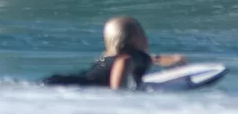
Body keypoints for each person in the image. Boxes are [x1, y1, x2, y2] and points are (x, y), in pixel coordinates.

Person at [43, 16, 187, 90]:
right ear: (135, 39)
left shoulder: (115, 56)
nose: (146, 37)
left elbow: (151, 59)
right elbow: (123, 62)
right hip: (78, 84)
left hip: (68, 80)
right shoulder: (131, 56)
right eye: (142, 33)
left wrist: (174, 60)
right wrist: (117, 94)